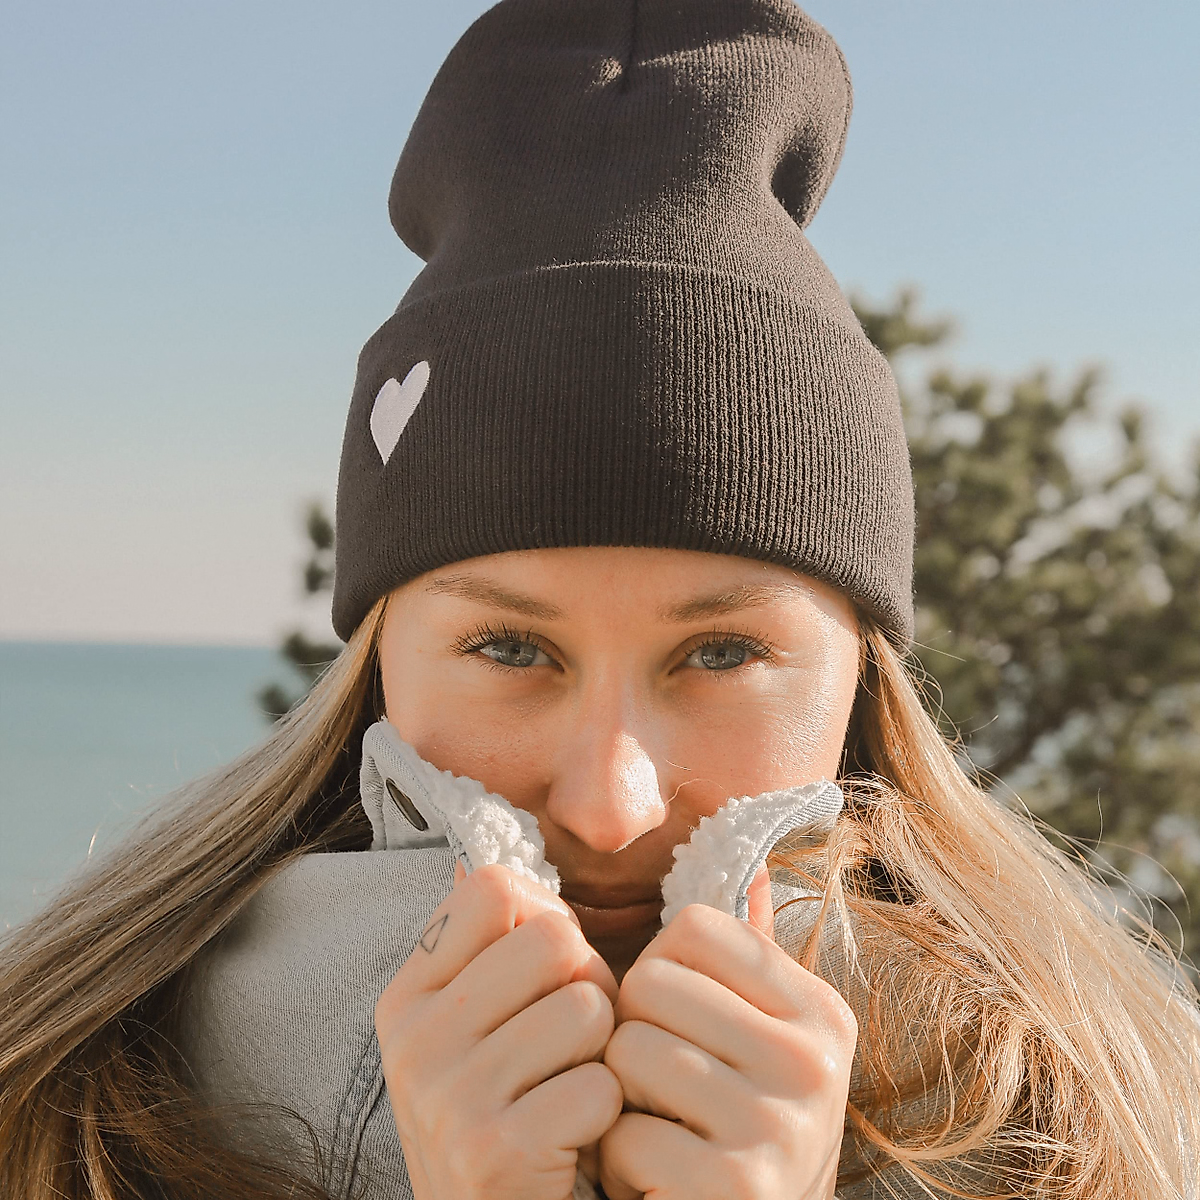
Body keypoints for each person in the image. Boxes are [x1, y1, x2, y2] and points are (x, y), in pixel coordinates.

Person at [2, 1, 1198, 1198]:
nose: (611, 810)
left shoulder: (1108, 1126)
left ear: (861, 672)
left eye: (723, 652)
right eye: (511, 645)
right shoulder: (73, 1108)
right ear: (378, 661)